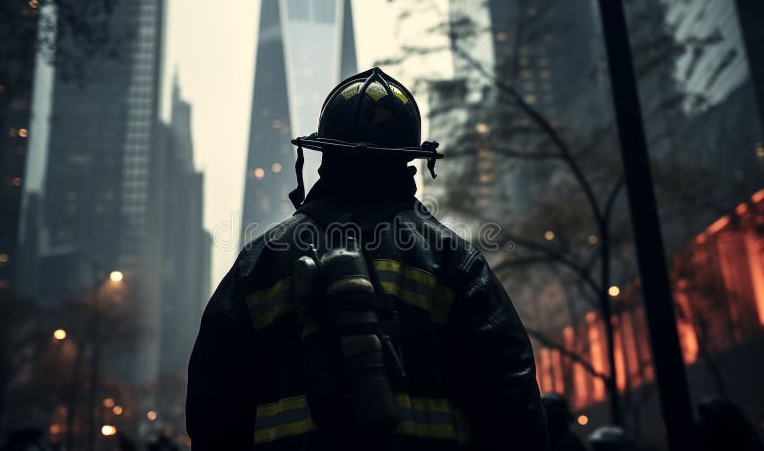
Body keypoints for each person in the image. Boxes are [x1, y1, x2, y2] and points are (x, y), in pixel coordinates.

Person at [186, 67, 549, 450]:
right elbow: (513, 403)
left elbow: (212, 406)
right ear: (410, 160)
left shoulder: (259, 263)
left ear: (322, 153)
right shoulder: (454, 261)